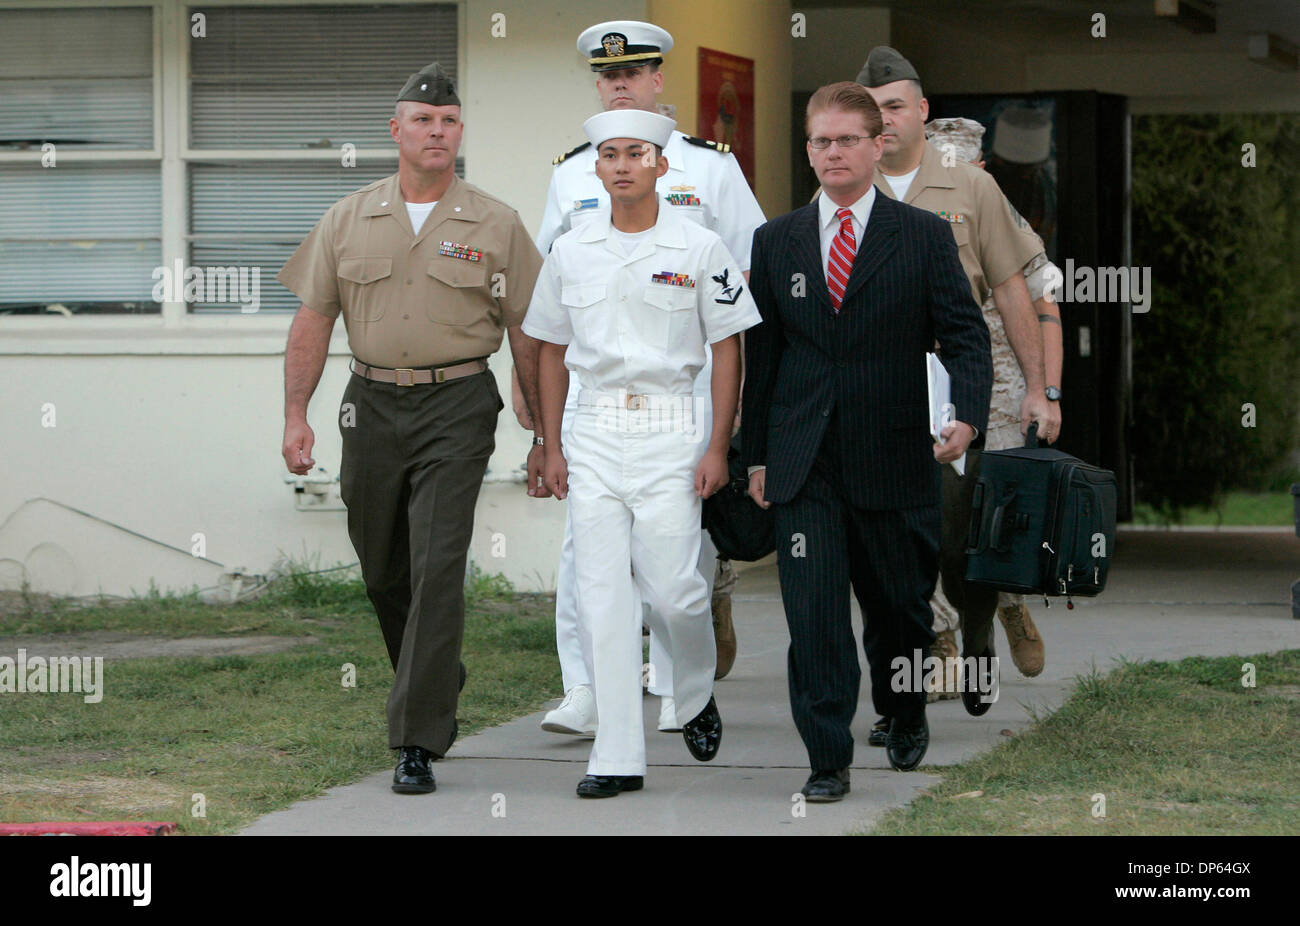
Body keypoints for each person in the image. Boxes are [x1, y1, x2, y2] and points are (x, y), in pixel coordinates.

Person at [277, 62, 542, 795]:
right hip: (369, 405)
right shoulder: (349, 216)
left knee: (434, 566)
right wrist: (296, 415)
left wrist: (540, 421)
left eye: (449, 121)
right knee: (381, 565)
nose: (437, 131)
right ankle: (435, 673)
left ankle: (417, 739)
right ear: (395, 131)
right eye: (423, 120)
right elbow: (312, 319)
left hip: (458, 403)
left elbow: (527, 326)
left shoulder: (497, 222)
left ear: (461, 132)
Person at [744, 81, 992, 799]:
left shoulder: (920, 236)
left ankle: (903, 706)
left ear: (877, 144)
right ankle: (828, 757)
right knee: (814, 618)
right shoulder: (776, 240)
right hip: (804, 462)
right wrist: (755, 456)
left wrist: (968, 417)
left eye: (846, 139)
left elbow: (966, 335)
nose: (831, 153)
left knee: (898, 613)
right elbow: (763, 359)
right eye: (819, 141)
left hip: (893, 458)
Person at [528, 20, 766, 740]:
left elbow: (745, 272)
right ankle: (586, 690)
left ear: (660, 79)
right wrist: (542, 412)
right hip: (596, 393)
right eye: (608, 76)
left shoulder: (710, 167)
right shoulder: (573, 170)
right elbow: (552, 292)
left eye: (634, 72)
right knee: (585, 554)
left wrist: (735, 407)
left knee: (677, 555)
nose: (620, 83)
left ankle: (674, 685)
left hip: (682, 389)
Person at [856, 47, 1056, 730]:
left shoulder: (971, 188)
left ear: (921, 112)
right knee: (888, 541)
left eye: (894, 106)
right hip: (879, 385)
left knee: (965, 535)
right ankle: (904, 691)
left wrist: (1039, 389)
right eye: (870, 109)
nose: (882, 121)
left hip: (963, 376)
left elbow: (1010, 287)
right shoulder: (843, 183)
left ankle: (976, 639)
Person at [926, 116, 1065, 685]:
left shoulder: (1001, 217)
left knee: (995, 512)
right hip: (935, 391)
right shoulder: (901, 211)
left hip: (1003, 394)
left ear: (981, 169)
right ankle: (940, 643)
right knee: (934, 517)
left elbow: (1047, 308)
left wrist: (1047, 392)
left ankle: (1009, 604)